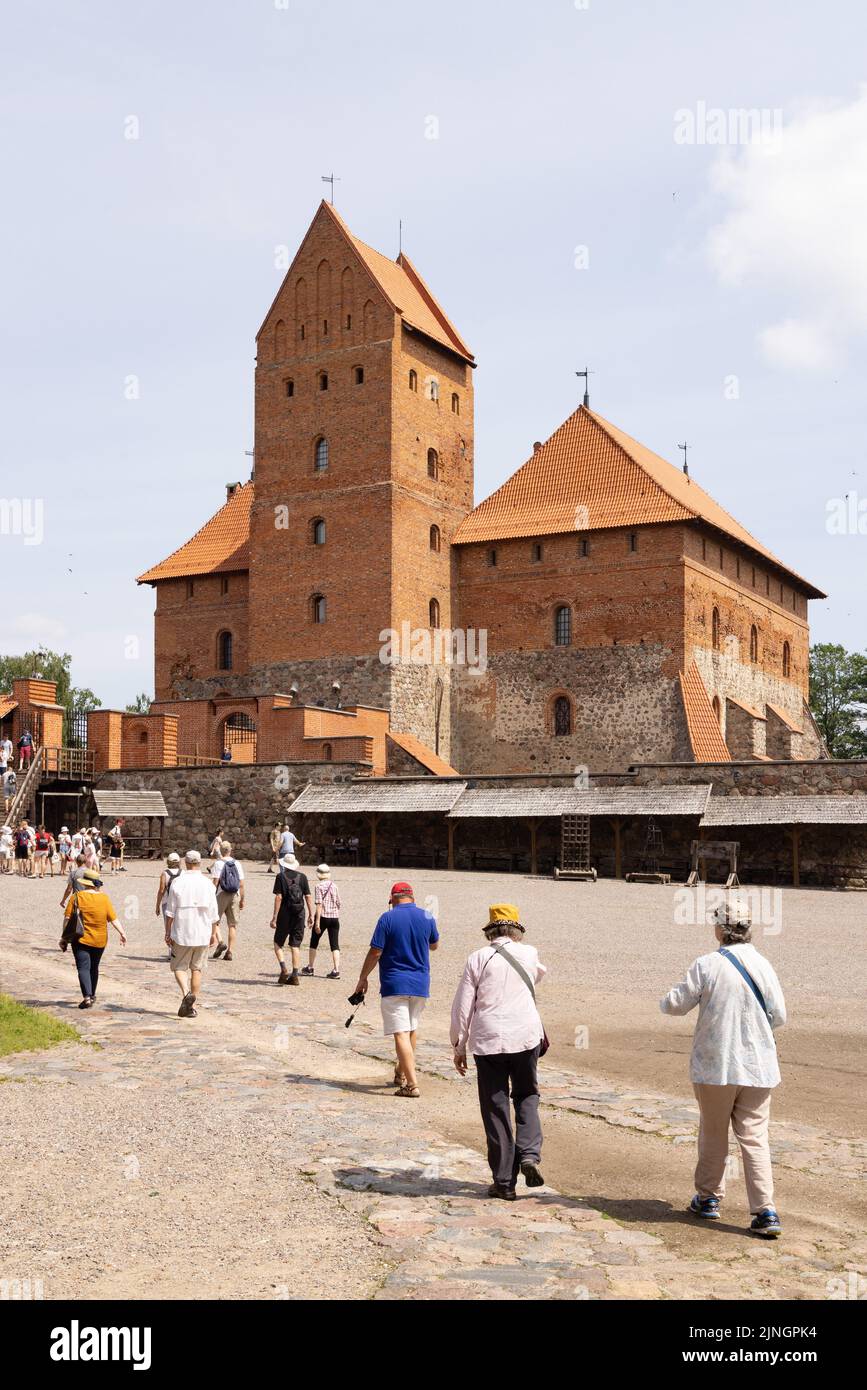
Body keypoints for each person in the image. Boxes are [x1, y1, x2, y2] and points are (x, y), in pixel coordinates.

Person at [660, 899, 787, 1239]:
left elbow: (676, 1004)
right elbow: (781, 1015)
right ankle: (765, 1210)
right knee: (755, 1138)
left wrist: (666, 998)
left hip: (716, 1066)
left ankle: (708, 1198)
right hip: (758, 1066)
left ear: (720, 928)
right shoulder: (763, 964)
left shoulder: (707, 964)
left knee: (713, 1133)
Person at [450, 904, 547, 1200]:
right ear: (516, 929)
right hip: (525, 1036)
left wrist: (459, 1043)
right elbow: (540, 974)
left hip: (488, 1038)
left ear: (490, 931)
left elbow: (463, 1005)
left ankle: (504, 1181)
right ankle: (529, 1153)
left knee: (495, 1105)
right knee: (527, 1094)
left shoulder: (477, 958)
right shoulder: (529, 954)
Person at [353, 882, 439, 1099]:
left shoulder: (387, 918)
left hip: (394, 982)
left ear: (392, 899)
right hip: (420, 983)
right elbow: (434, 945)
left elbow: (375, 952)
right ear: (412, 897)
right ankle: (401, 1072)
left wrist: (363, 978)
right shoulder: (427, 916)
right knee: (411, 1029)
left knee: (400, 1032)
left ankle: (412, 1085)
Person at [164, 850, 219, 1018]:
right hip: (202, 931)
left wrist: (167, 932)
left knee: (179, 967)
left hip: (182, 930)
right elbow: (214, 912)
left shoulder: (178, 882)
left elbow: (170, 911)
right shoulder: (208, 883)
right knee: (197, 969)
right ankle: (192, 1007)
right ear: (200, 863)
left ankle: (187, 994)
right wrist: (214, 933)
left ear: (185, 863)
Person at [60, 869, 127, 1008]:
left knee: (83, 968)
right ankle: (92, 995)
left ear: (84, 883)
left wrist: (64, 938)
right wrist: (122, 933)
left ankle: (87, 997)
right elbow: (113, 918)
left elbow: (67, 918)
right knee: (94, 967)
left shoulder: (77, 897)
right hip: (100, 939)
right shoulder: (104, 898)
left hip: (80, 938)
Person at [270, 854, 313, 985]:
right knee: (295, 945)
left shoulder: (280, 877)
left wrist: (274, 917)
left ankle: (283, 968)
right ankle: (295, 974)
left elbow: (278, 897)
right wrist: (311, 914)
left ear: (283, 865)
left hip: (285, 914)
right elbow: (308, 896)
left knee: (278, 942)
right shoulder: (303, 877)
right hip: (299, 914)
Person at [302, 863, 341, 978]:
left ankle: (310, 967)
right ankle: (336, 970)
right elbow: (339, 903)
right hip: (334, 917)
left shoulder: (318, 886)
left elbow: (319, 905)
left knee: (314, 942)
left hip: (323, 917)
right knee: (334, 944)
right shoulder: (335, 886)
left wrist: (317, 922)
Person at [210, 840, 245, 960]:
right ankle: (230, 951)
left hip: (221, 894)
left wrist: (210, 896)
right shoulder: (237, 864)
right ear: (230, 850)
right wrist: (242, 899)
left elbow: (215, 882)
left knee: (214, 920)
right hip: (235, 894)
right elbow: (241, 884)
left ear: (221, 851)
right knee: (232, 925)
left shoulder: (218, 864)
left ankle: (220, 942)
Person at [155, 851, 182, 929]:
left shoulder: (165, 873)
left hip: (167, 902)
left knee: (168, 926)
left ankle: (169, 939)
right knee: (179, 926)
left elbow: (161, 890)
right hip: (180, 902)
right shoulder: (183, 873)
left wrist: (157, 905)